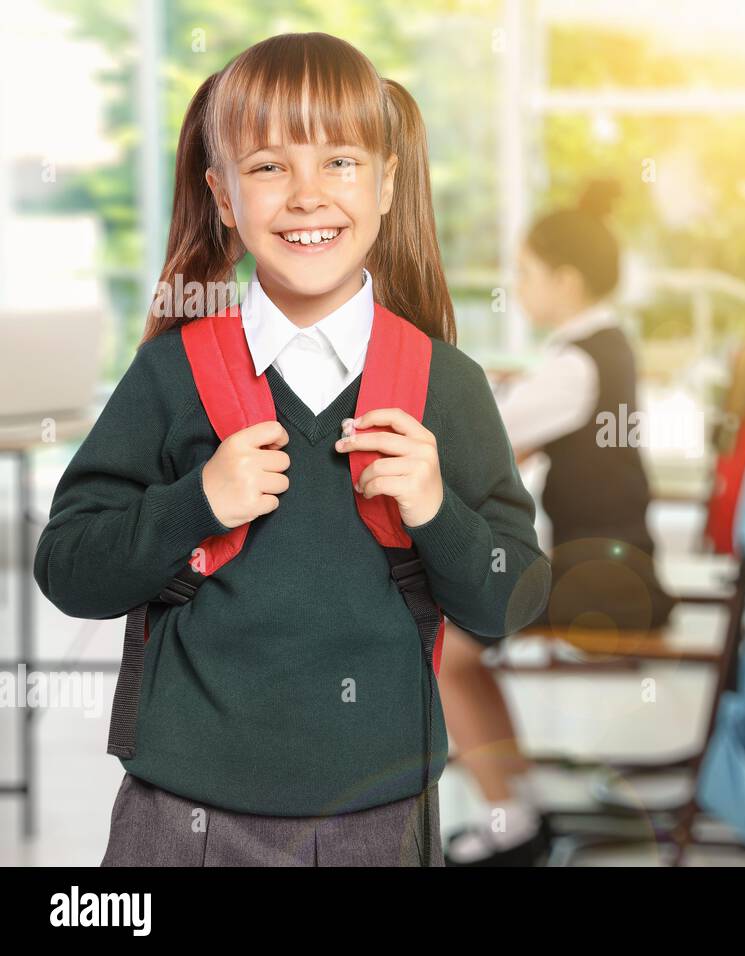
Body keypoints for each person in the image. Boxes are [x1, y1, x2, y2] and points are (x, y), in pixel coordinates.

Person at [32, 32, 549, 866]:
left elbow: (509, 603)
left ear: (387, 181)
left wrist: (433, 511)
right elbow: (69, 569)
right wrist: (194, 502)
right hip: (181, 819)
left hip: (379, 819)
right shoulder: (170, 377)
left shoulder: (444, 385)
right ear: (225, 197)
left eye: (340, 162)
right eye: (270, 166)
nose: (308, 196)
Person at [439, 180, 677, 866]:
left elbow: (481, 444)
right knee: (460, 648)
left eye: (525, 273)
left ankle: (512, 821)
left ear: (565, 282)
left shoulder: (575, 365)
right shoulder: (604, 345)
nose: (517, 287)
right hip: (617, 563)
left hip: (603, 580)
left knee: (444, 652)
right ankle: (517, 809)